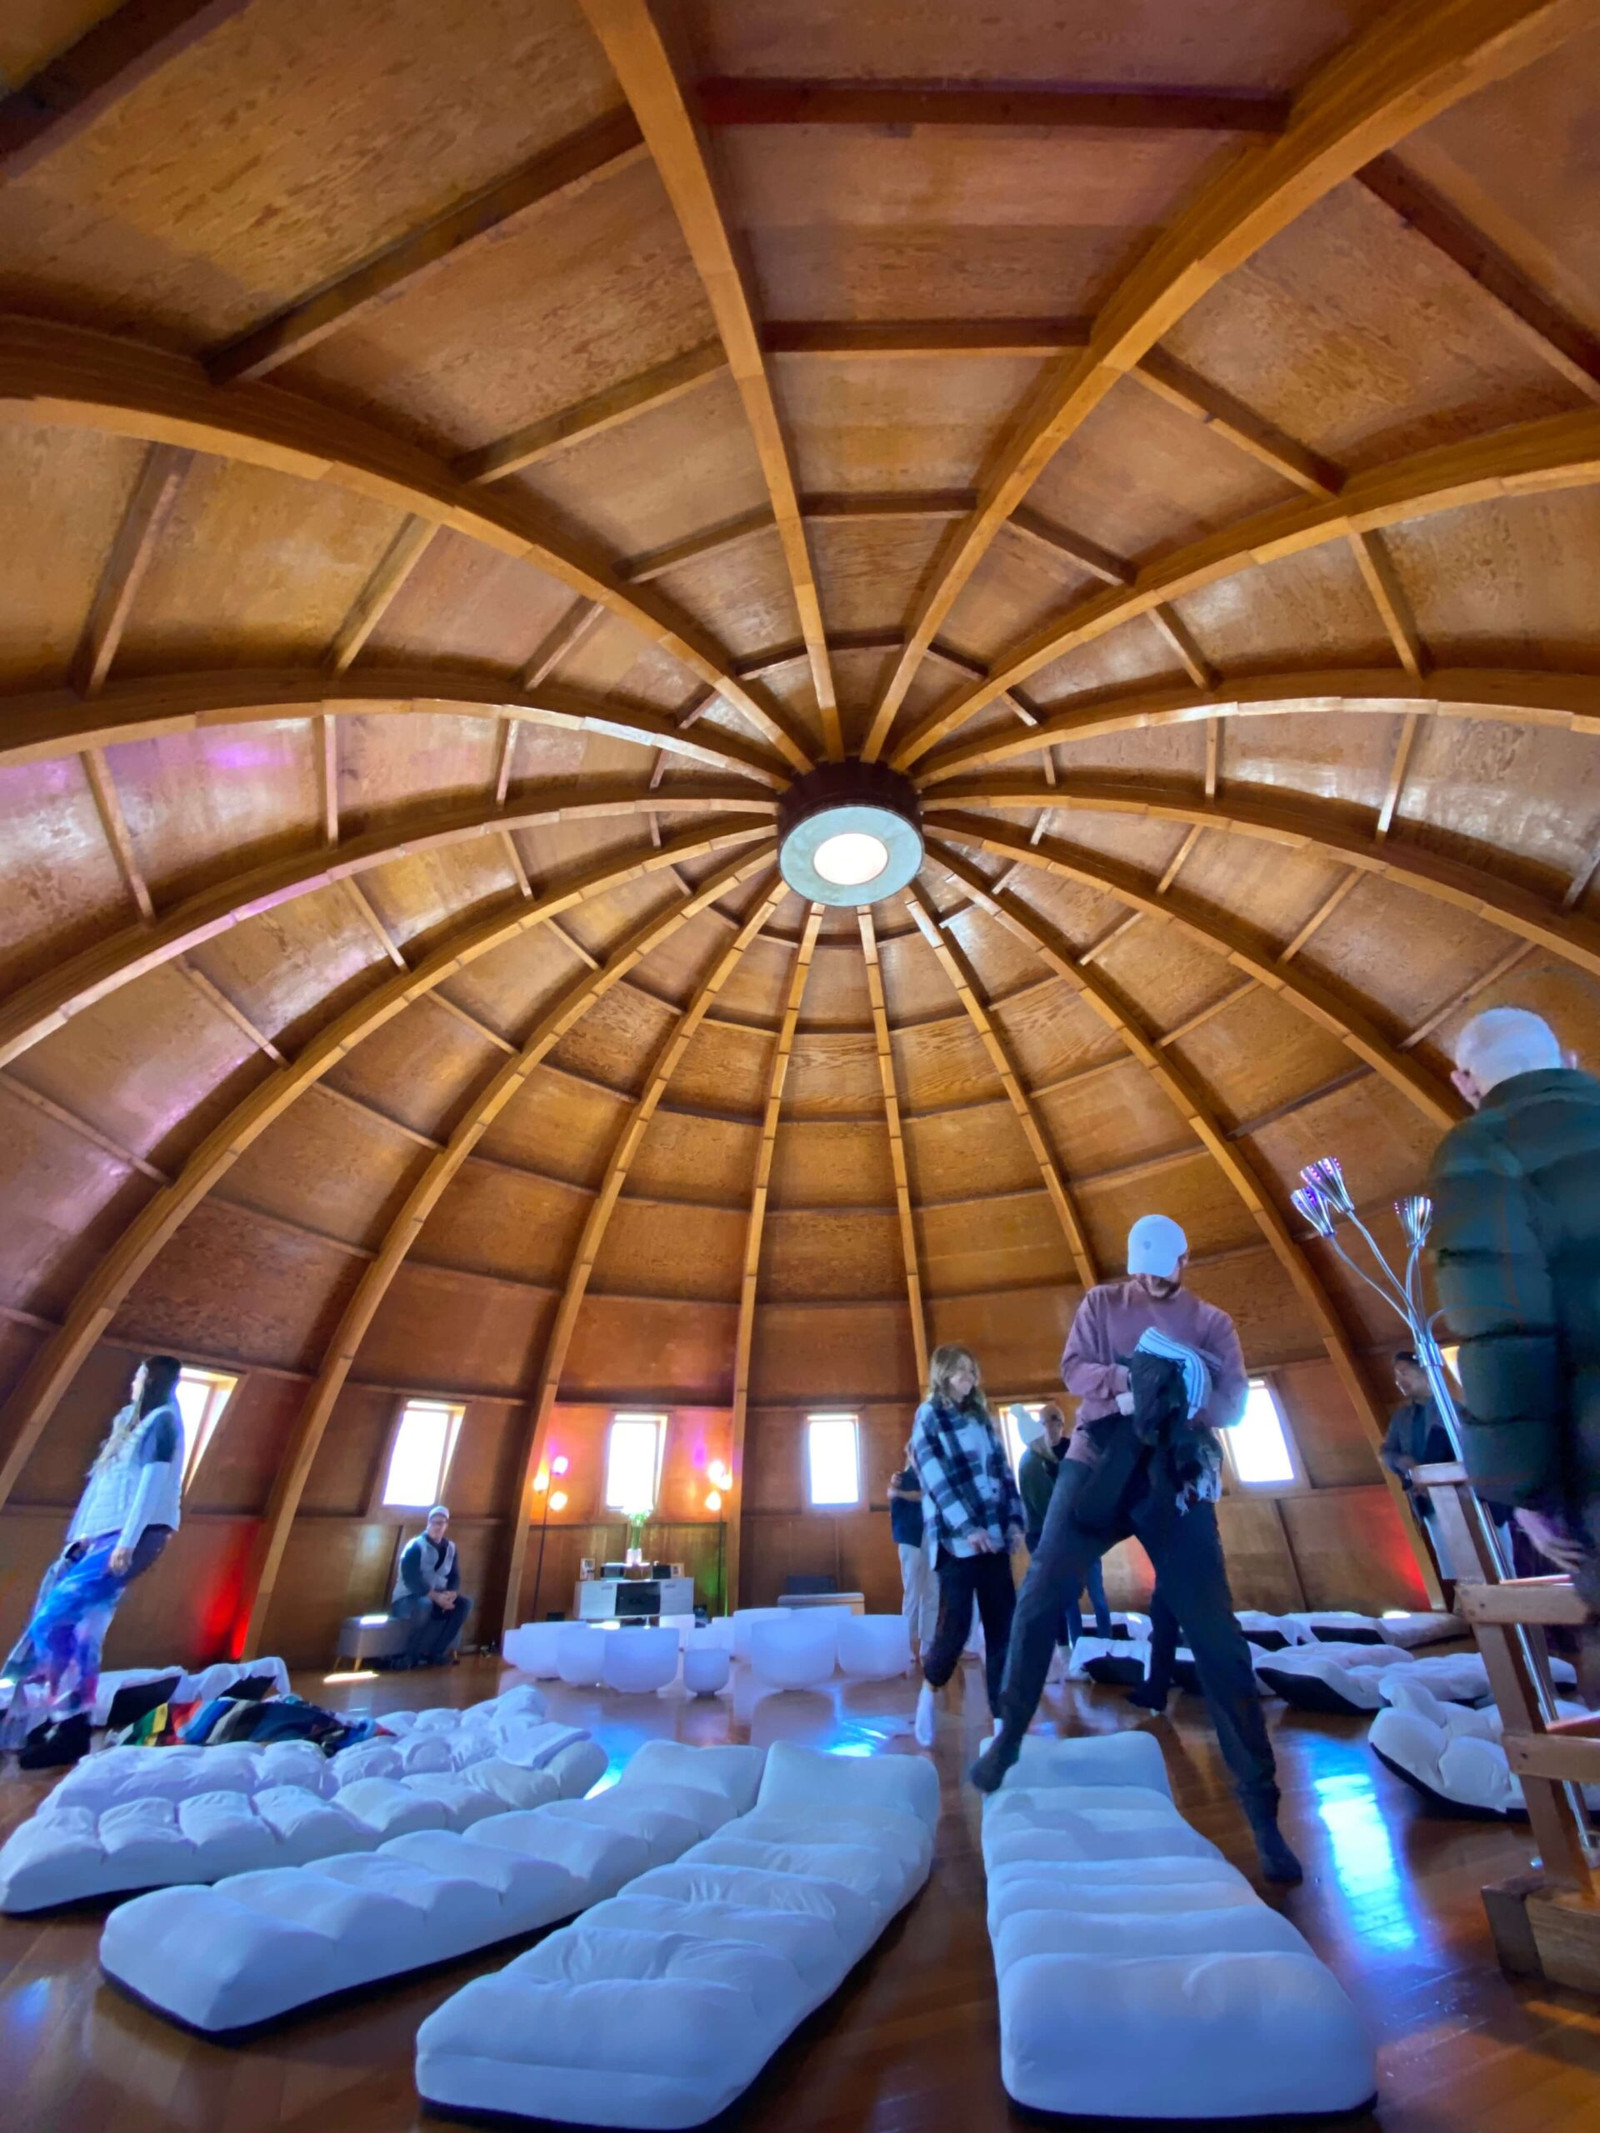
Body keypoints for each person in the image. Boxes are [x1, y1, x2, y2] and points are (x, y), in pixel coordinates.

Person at [971, 1215, 1303, 1885]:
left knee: (1217, 1635)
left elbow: (1235, 1401)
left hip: (1172, 1469)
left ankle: (1262, 1813)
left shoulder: (1211, 1323)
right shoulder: (1102, 1303)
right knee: (1041, 1593)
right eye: (1142, 1269)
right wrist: (1126, 1385)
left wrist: (1184, 1394)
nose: (1152, 1280)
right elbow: (1074, 1366)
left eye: (1164, 1268)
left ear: (1185, 1259)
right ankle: (1008, 1734)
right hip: (1097, 1460)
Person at [1429, 1007, 1600, 1616]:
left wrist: (1524, 1489)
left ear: (1465, 1083)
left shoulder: (1482, 1146)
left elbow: (1502, 1332)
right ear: (1570, 1060)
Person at [4, 1355, 185, 1768]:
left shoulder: (161, 1422)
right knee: (84, 1632)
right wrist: (79, 1540)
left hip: (129, 1536)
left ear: (152, 1379)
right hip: (98, 1538)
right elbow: (104, 1490)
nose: (133, 1380)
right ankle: (69, 1727)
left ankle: (67, 1720)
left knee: (53, 1620)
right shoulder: (129, 1424)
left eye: (139, 1374)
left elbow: (151, 1484)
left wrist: (127, 1539)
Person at [911, 1345, 1025, 1749]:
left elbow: (1003, 1470)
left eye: (972, 1372)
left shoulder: (981, 1417)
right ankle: (930, 1688)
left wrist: (1013, 1520)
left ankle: (1001, 1721)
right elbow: (934, 1477)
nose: (969, 1380)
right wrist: (966, 1525)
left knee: (1003, 1629)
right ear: (943, 1374)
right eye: (961, 1372)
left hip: (993, 1539)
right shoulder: (928, 1416)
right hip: (957, 1543)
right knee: (956, 1626)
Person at [1017, 1403, 1112, 1648]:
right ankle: (1075, 1649)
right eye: (1046, 1421)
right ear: (1040, 1426)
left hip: (1084, 1535)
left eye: (1056, 1419)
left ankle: (1108, 1646)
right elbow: (1037, 1506)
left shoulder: (1076, 1452)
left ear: (1062, 1423)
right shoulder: (1030, 1461)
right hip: (1050, 1539)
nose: (1051, 1426)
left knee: (1098, 1596)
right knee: (1067, 1599)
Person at [1382, 1349, 1463, 1578]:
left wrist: (1435, 1480)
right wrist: (1400, 1461)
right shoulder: (1401, 1417)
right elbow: (1386, 1451)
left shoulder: (1452, 1409)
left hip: (1462, 1500)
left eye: (1405, 1373)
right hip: (1429, 1504)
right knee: (1455, 1572)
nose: (1399, 1381)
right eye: (1396, 1376)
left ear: (1425, 1374)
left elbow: (1468, 1456)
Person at [391, 1506, 473, 1666]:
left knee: (464, 1604)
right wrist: (435, 1597)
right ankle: (410, 1655)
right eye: (434, 1522)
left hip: (439, 1596)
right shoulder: (415, 1546)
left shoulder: (451, 1548)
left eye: (441, 1523)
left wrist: (451, 1593)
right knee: (425, 1605)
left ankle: (437, 1652)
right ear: (428, 1523)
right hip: (408, 1598)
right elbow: (411, 1578)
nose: (437, 1526)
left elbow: (454, 1575)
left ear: (446, 1525)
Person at [888, 1442, 937, 1656]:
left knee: (932, 1590)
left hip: (931, 1538)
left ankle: (928, 1643)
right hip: (910, 1540)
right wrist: (897, 1492)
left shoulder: (931, 1475)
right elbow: (919, 1496)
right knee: (912, 1593)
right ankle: (907, 1645)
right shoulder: (901, 1478)